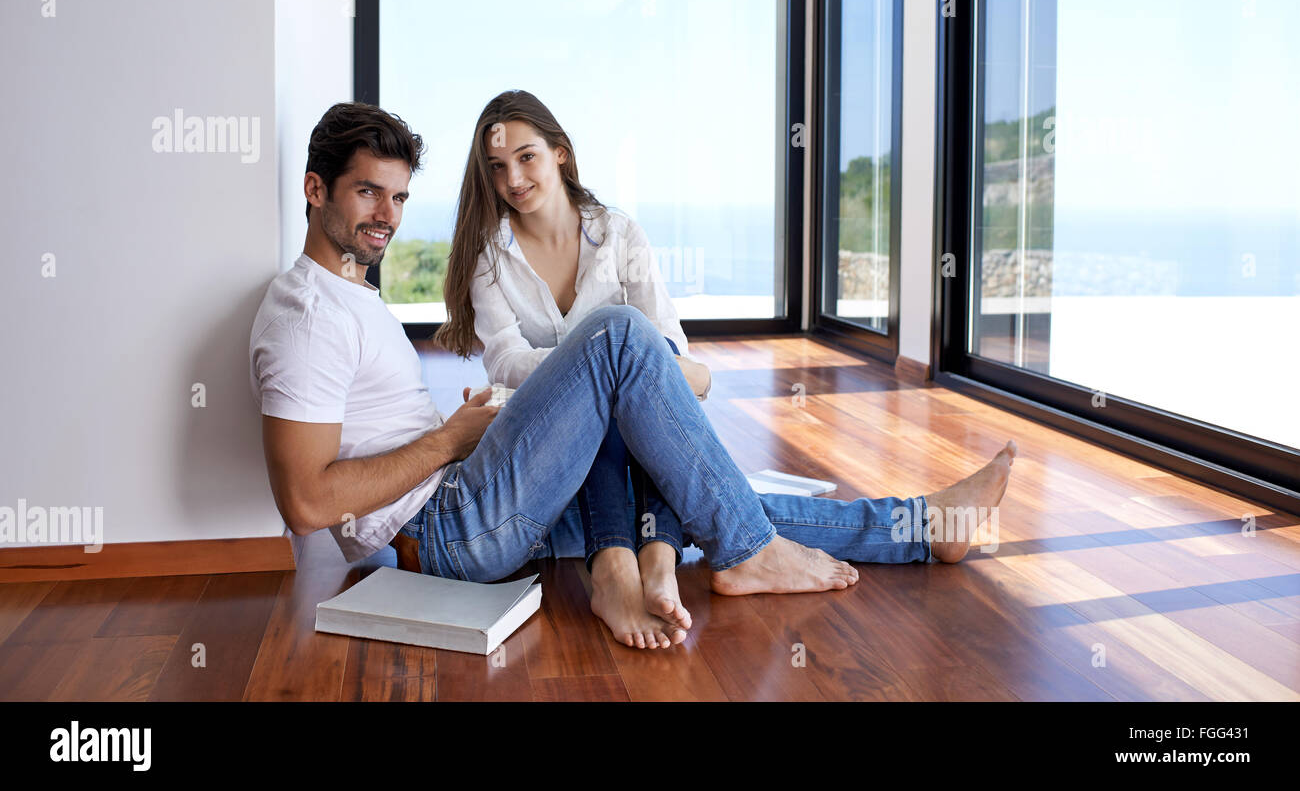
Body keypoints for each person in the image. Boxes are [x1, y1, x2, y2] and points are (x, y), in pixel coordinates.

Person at [249, 102, 1016, 650]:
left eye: (398, 196)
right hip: (447, 528)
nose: (387, 214)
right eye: (366, 192)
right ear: (316, 189)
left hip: (461, 502)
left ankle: (922, 526)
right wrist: (450, 439)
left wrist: (468, 435)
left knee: (685, 491)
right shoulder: (306, 313)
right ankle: (742, 553)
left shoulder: (350, 291)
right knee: (619, 337)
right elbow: (308, 499)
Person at [434, 89, 712, 649]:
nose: (513, 177)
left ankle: (655, 557)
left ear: (559, 152)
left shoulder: (619, 234)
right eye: (496, 167)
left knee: (641, 348)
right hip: (555, 437)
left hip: (638, 431)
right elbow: (506, 362)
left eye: (527, 156)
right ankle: (620, 565)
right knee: (617, 368)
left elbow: (672, 352)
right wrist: (595, 369)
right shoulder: (488, 257)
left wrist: (619, 368)